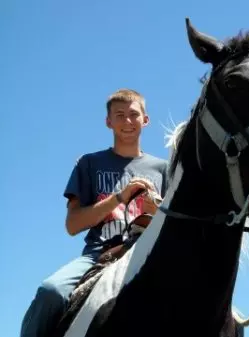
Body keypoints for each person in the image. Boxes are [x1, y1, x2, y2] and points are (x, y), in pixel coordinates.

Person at [20, 88, 169, 337]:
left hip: (151, 255)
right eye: (119, 115)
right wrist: (119, 197)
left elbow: (174, 224)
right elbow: (73, 225)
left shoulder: (164, 168)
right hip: (98, 254)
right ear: (108, 121)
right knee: (50, 292)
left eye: (134, 114)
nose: (127, 121)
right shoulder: (89, 163)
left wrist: (158, 210)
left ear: (146, 119)